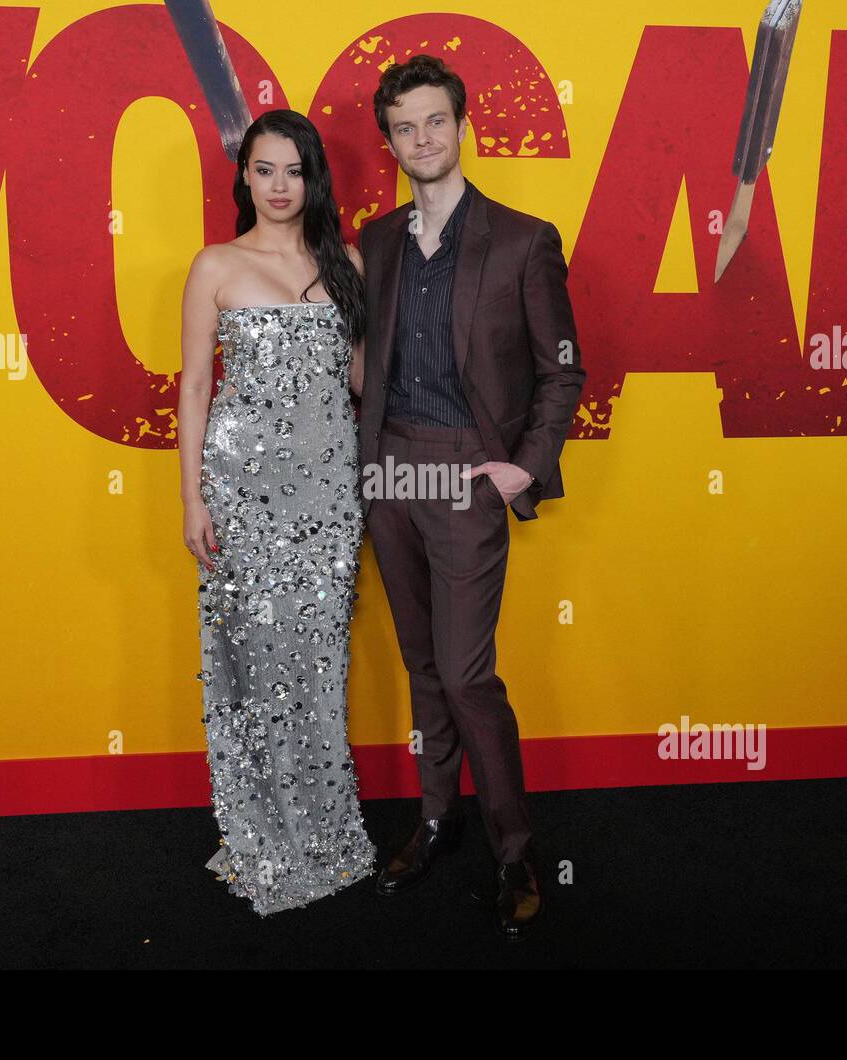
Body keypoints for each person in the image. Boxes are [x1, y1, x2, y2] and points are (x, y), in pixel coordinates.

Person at [357, 55, 586, 938]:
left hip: (465, 472)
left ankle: (515, 848)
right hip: (389, 471)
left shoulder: (524, 240)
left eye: (435, 122)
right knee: (420, 666)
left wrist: (522, 468)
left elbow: (562, 373)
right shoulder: (374, 242)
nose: (422, 139)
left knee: (465, 674)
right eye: (405, 128)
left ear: (462, 125)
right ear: (390, 142)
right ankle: (435, 818)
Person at [179, 109, 375, 916]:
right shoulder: (215, 266)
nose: (280, 186)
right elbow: (193, 386)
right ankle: (264, 835)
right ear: (245, 178)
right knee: (257, 670)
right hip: (240, 498)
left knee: (319, 668)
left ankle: (325, 836)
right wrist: (190, 494)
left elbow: (366, 383)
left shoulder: (347, 262)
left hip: (328, 496)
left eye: (294, 171)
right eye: (264, 170)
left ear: (313, 177)